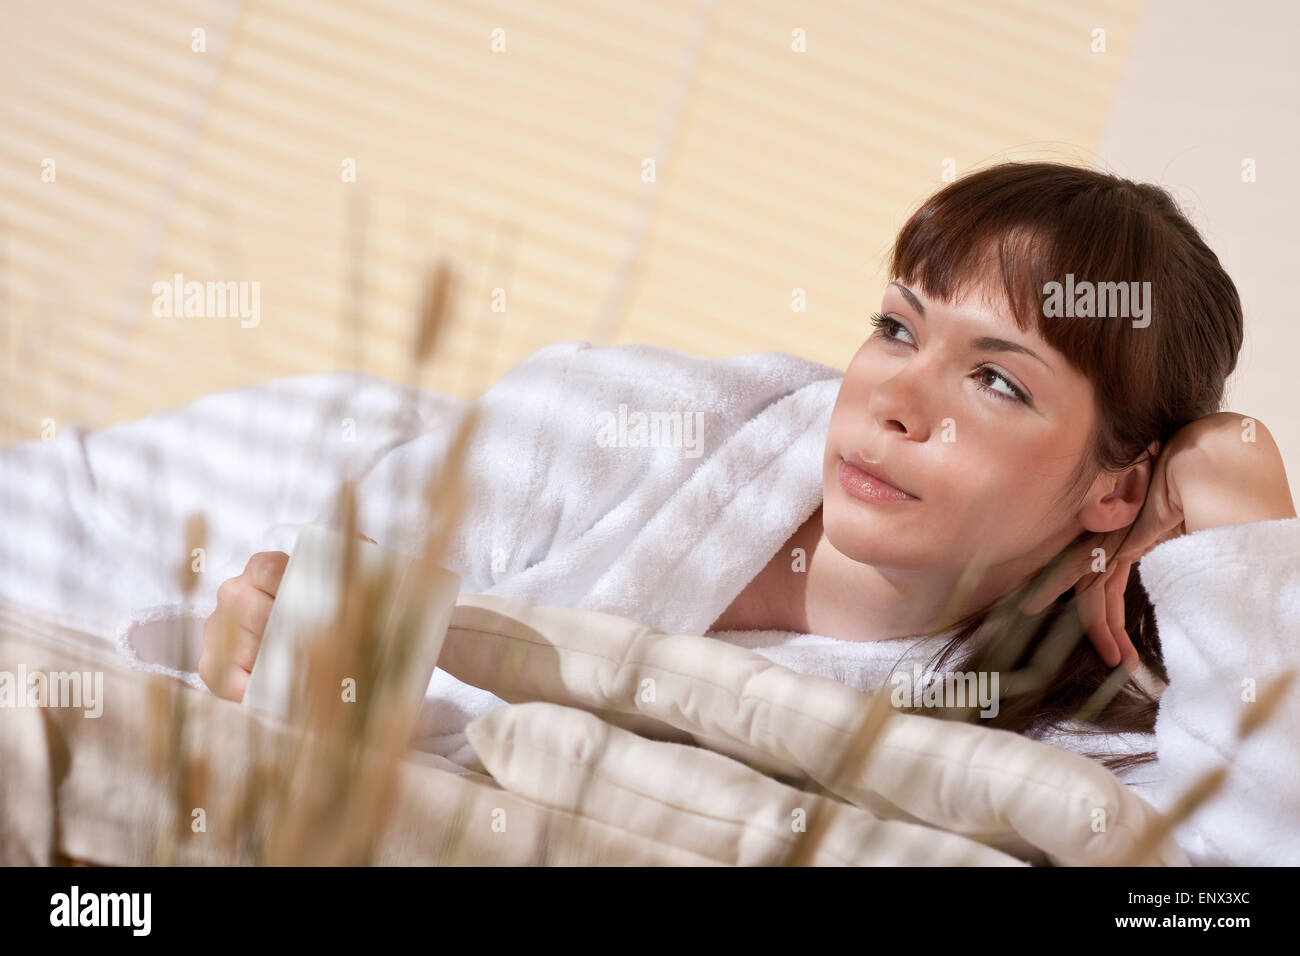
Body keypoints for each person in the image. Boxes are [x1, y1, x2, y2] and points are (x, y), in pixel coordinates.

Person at [201, 160, 1296, 795]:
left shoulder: (1079, 743)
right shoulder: (605, 426)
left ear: (1115, 488)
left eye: (999, 383)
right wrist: (267, 624)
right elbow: (294, 644)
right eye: (896, 327)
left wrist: (1240, 487)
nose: (898, 400)